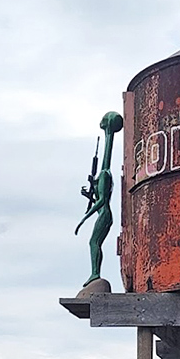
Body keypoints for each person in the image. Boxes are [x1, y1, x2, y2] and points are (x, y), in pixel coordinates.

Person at [75, 111, 123, 287]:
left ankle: (95, 273)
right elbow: (98, 197)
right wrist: (88, 195)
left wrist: (85, 217)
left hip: (104, 215)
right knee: (94, 242)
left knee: (93, 242)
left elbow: (102, 200)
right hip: (103, 214)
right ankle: (94, 273)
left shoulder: (104, 175)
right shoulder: (104, 174)